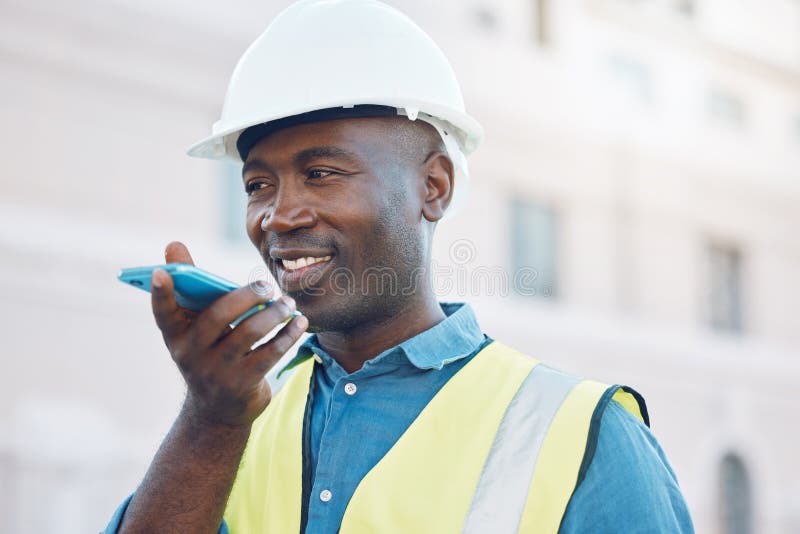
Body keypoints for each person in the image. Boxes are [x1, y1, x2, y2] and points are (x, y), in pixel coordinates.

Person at [104, 0, 694, 532]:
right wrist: (210, 420)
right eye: (259, 184)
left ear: (433, 186)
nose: (278, 217)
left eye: (322, 173)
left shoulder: (584, 437)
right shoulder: (234, 419)